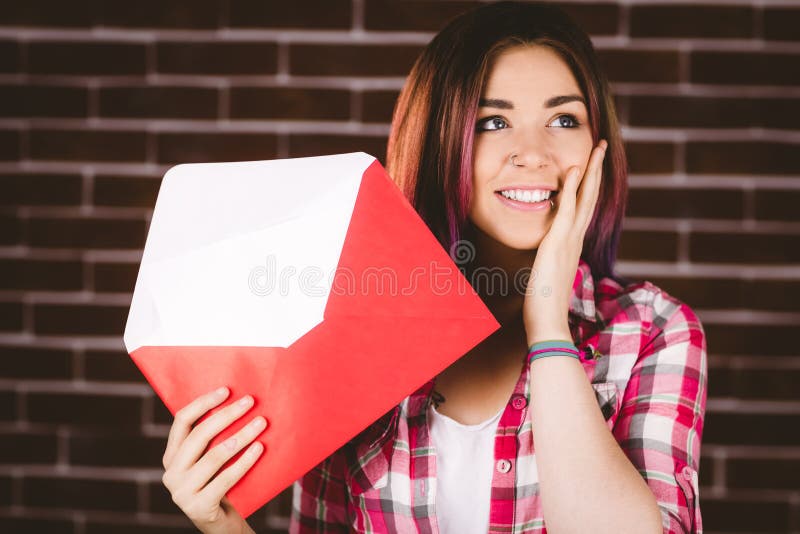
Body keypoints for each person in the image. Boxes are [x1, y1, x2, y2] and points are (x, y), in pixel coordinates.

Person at [161, 1, 707, 533]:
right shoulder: (356, 330)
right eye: (494, 122)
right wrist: (224, 525)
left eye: (564, 119)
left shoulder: (654, 332)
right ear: (440, 141)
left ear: (598, 147)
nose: (533, 153)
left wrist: (547, 326)